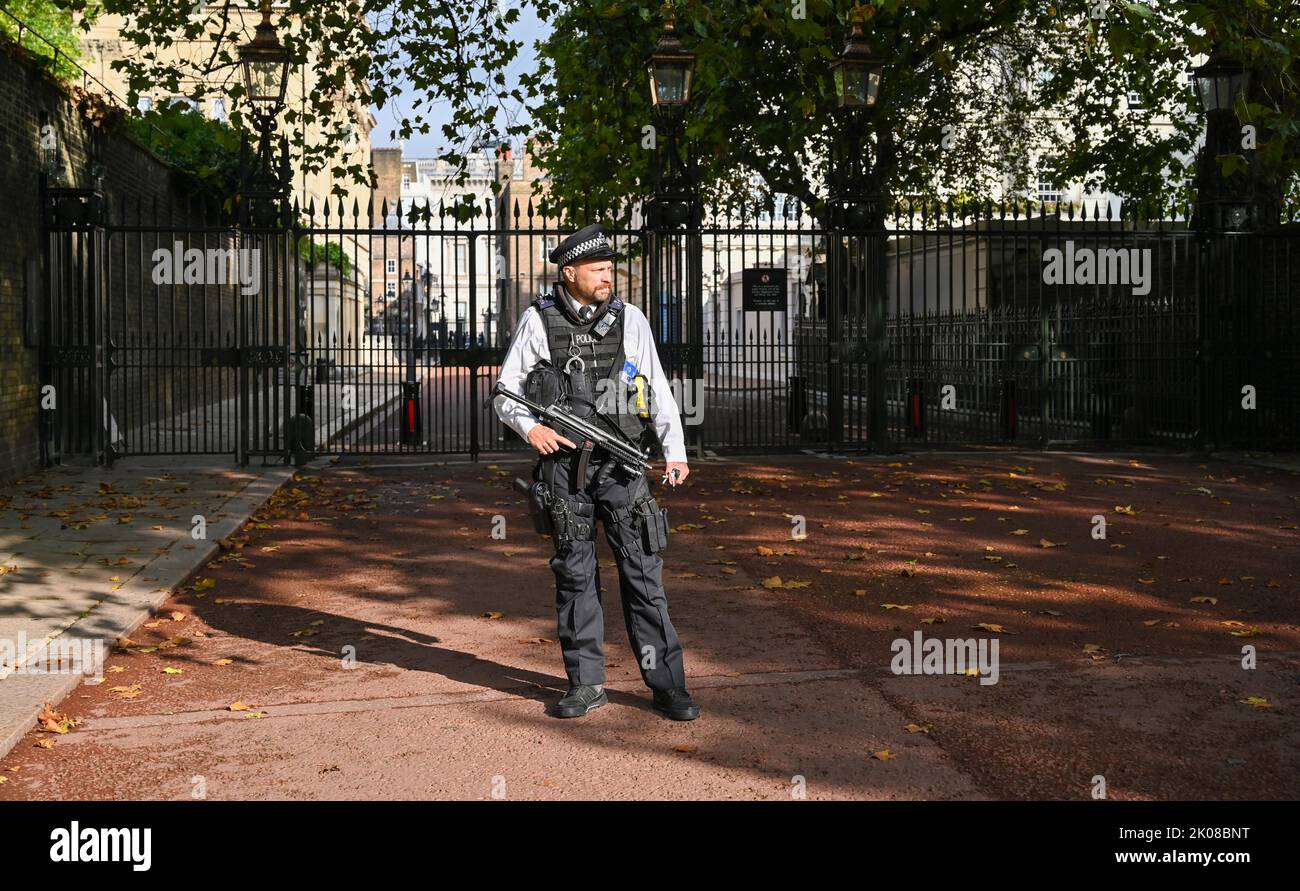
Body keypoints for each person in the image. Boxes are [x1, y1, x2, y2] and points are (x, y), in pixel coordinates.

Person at [493, 222, 700, 721]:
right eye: (598, 269)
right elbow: (506, 390)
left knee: (643, 575)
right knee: (575, 576)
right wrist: (532, 430)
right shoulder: (538, 320)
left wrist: (676, 451)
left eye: (610, 268)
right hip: (565, 469)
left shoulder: (631, 319)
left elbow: (657, 387)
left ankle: (667, 685)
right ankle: (586, 685)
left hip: (621, 464)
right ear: (570, 273)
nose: (609, 276)